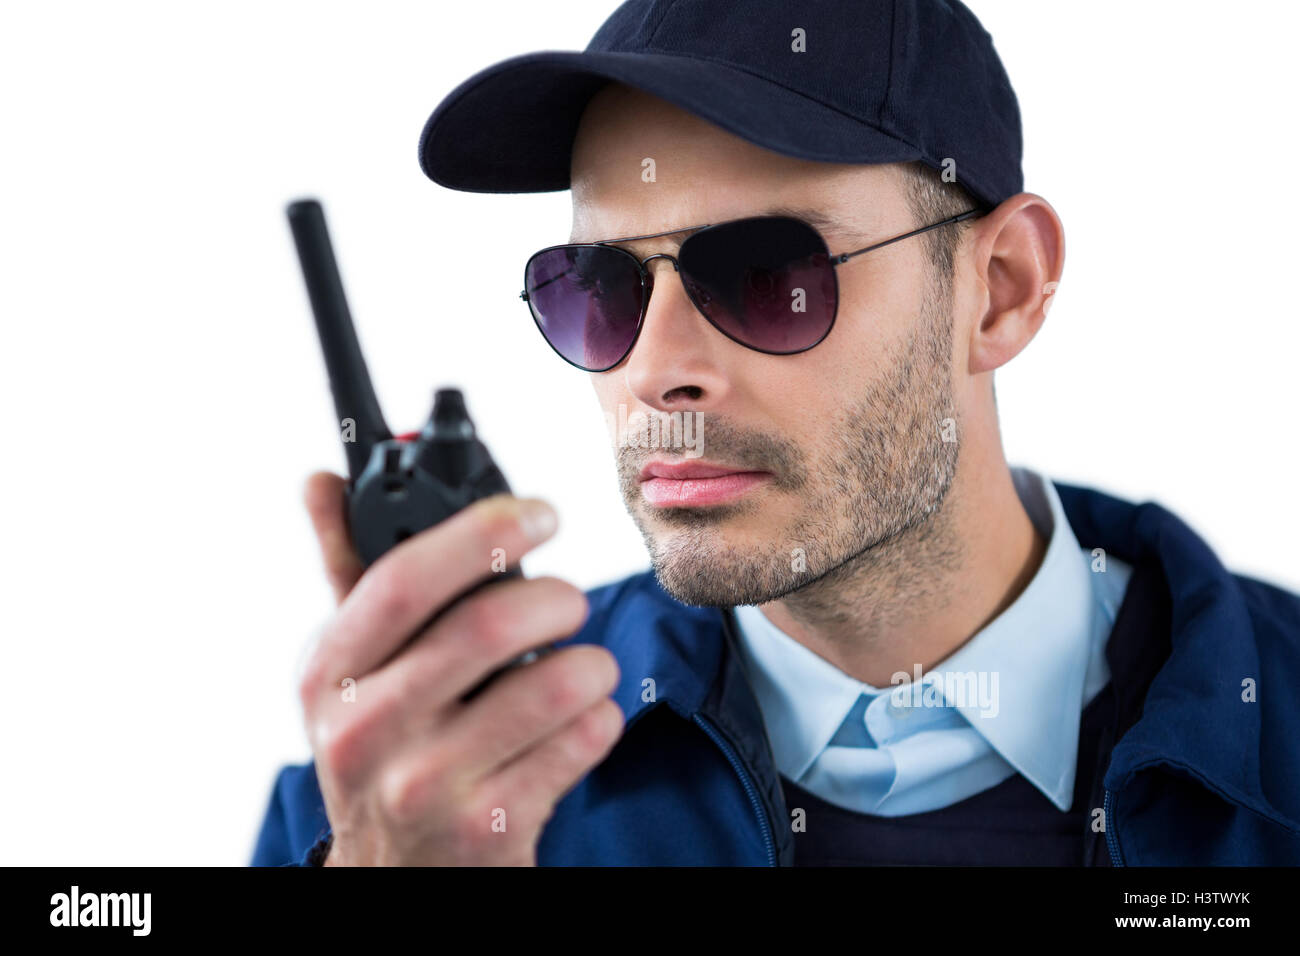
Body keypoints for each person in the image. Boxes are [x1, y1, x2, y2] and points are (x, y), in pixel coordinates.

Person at [251, 0, 1300, 866]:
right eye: (600, 288)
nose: (657, 370)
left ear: (999, 290)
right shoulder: (397, 802)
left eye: (767, 279)